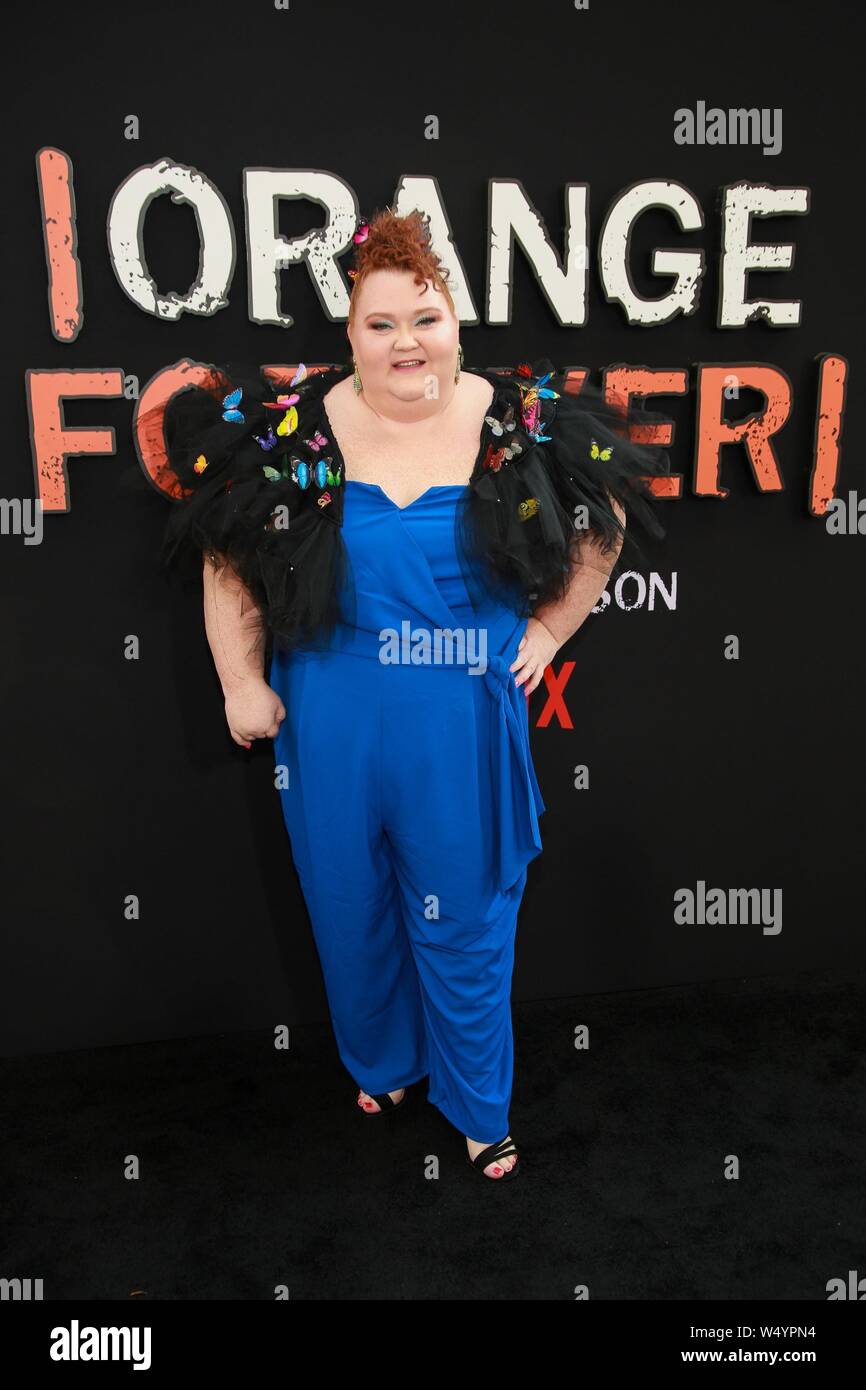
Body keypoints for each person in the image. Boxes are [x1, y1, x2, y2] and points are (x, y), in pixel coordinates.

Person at [158, 208, 669, 1182]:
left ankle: (477, 1107)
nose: (406, 343)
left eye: (423, 319)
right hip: (329, 719)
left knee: (466, 919)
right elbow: (229, 556)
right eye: (381, 323)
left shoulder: (517, 422)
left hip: (458, 721)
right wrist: (238, 680)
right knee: (347, 907)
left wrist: (549, 628)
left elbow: (601, 519)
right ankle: (383, 1066)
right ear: (348, 333)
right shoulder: (297, 428)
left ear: (455, 323)